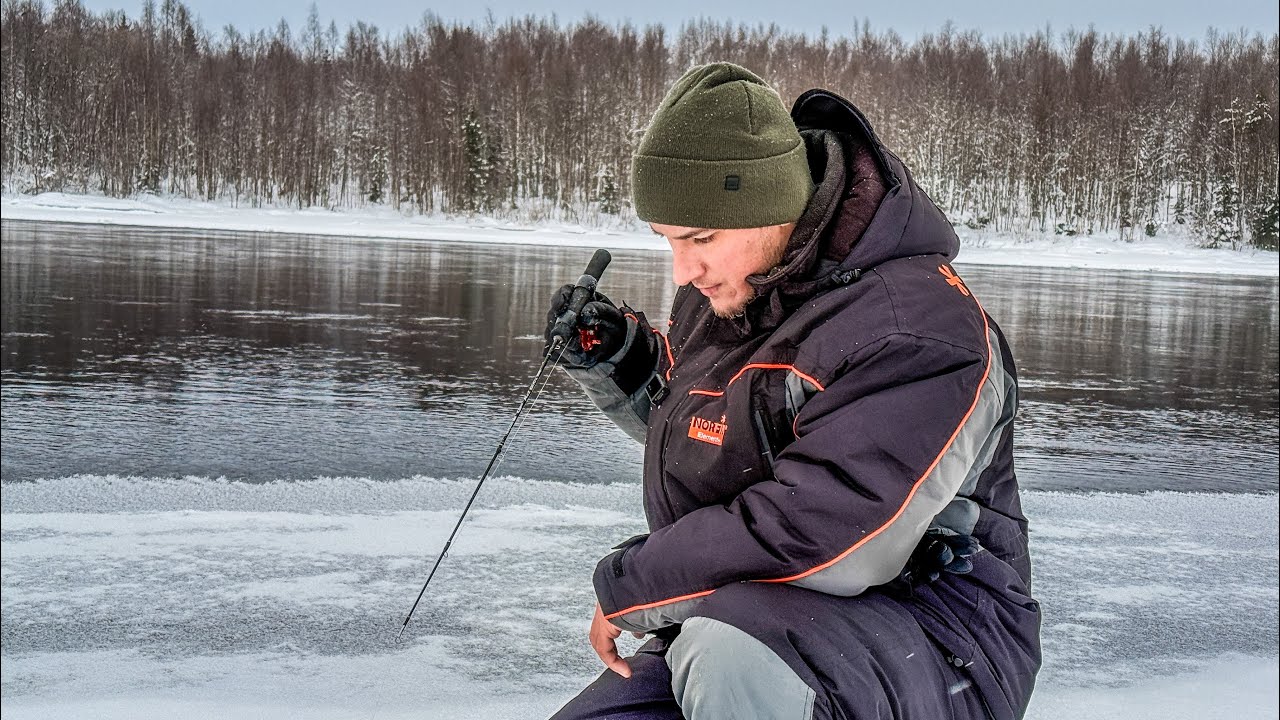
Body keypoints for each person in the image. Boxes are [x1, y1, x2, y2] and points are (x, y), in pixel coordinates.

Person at [544, 62, 1041, 720]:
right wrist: (625, 361)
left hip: (939, 638)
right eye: (668, 241)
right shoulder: (734, 288)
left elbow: (829, 535)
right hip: (752, 614)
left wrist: (633, 584)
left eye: (700, 238)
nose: (684, 271)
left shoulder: (920, 330)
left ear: (769, 206)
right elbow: (721, 429)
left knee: (733, 656)